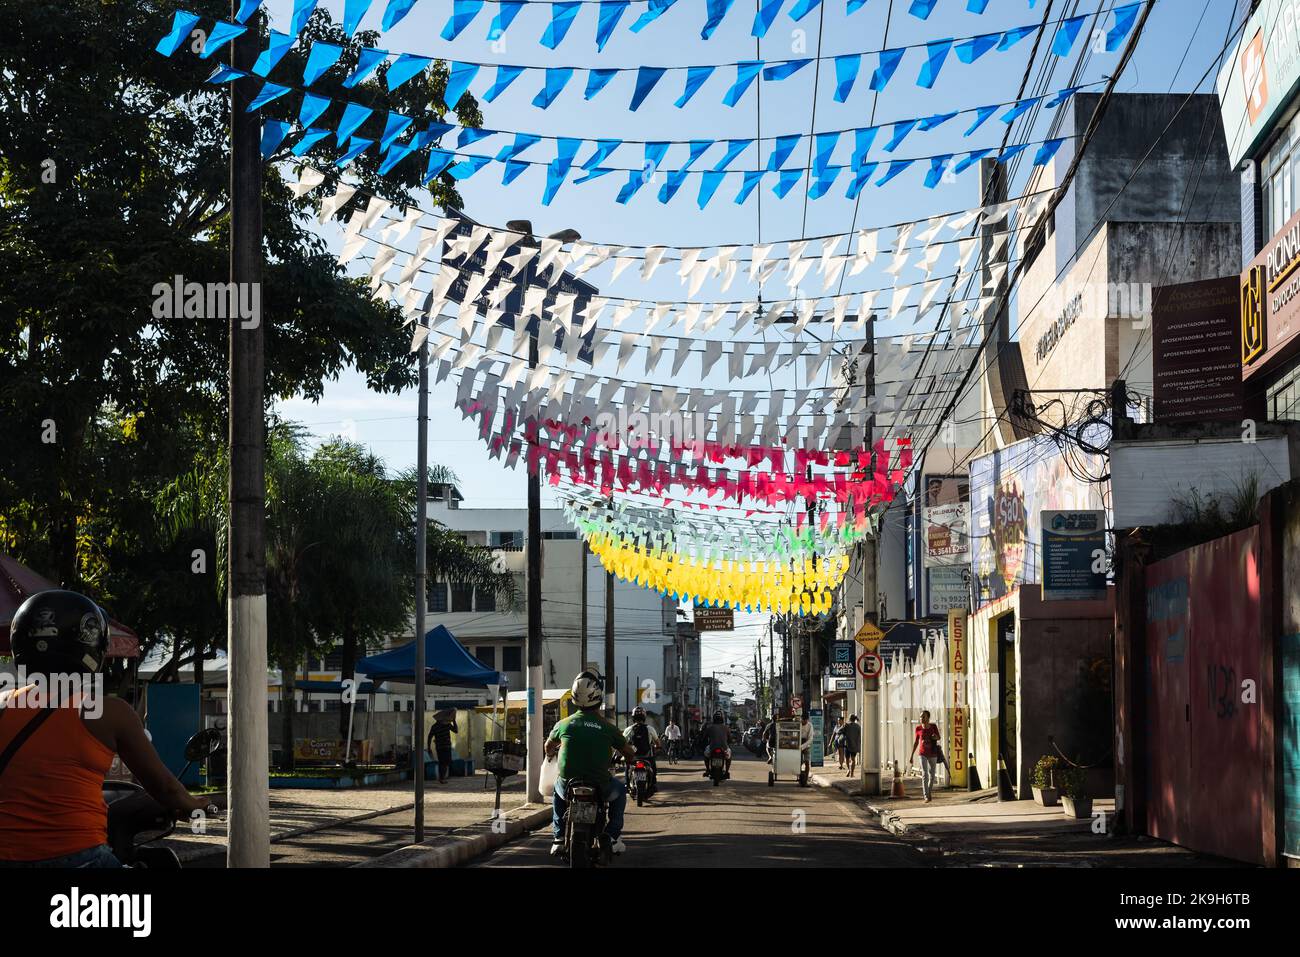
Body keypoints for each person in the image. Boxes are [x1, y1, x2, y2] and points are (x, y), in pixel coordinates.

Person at [0, 590, 210, 868]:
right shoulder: (110, 711)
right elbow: (165, 788)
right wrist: (197, 806)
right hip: (77, 856)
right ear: (91, 646)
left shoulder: (3, 703)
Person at [545, 672, 637, 857]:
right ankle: (611, 836)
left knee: (557, 790)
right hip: (600, 783)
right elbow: (628, 752)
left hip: (568, 783)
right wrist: (630, 760)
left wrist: (550, 755)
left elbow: (548, 746)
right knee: (620, 795)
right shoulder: (608, 728)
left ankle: (558, 836)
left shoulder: (563, 725)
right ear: (598, 697)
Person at [909, 710, 943, 803]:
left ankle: (928, 792)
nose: (921, 718)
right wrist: (911, 755)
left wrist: (934, 737)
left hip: (933, 753)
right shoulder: (918, 729)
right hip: (922, 753)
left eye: (923, 717)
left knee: (932, 775)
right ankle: (926, 796)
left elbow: (938, 737)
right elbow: (916, 742)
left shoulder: (933, 727)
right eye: (921, 717)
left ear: (928, 717)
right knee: (925, 774)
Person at [624, 706, 660, 777]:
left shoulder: (628, 729)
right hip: (647, 756)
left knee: (628, 768)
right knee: (653, 769)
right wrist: (658, 748)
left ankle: (627, 783)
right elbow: (657, 742)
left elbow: (622, 741)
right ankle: (653, 784)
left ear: (633, 717)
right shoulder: (650, 728)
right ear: (644, 717)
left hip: (633, 756)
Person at [426, 710, 459, 784]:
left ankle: (442, 778)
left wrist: (429, 747)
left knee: (443, 763)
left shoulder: (435, 726)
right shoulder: (446, 725)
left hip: (440, 747)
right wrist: (454, 721)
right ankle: (442, 778)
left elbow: (429, 737)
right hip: (444, 747)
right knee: (444, 763)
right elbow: (456, 730)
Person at [701, 710, 731, 778]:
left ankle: (708, 770)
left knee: (706, 756)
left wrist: (703, 743)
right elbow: (730, 739)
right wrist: (728, 743)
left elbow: (704, 738)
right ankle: (726, 772)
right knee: (728, 757)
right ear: (722, 719)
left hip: (712, 747)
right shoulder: (726, 728)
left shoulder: (710, 727)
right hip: (724, 748)